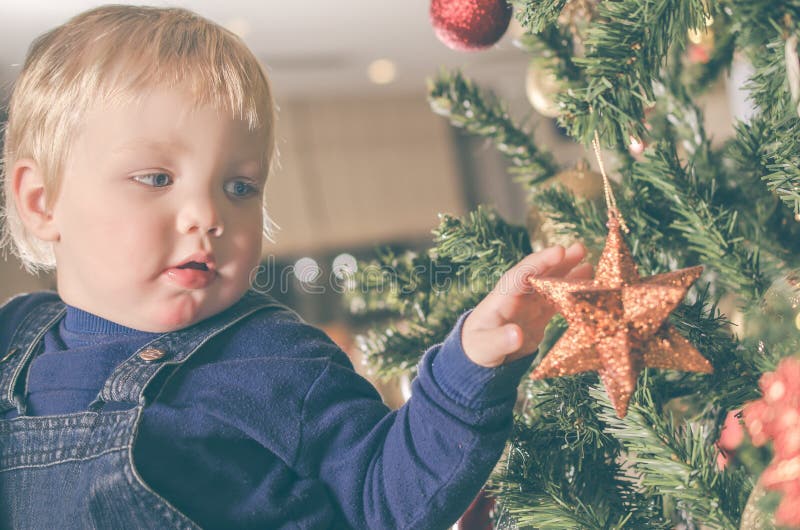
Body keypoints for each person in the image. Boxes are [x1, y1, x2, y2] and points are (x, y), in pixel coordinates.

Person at [0, 5, 591, 529]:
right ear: (42, 200)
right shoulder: (13, 342)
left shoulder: (275, 356)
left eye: (239, 186)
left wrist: (470, 366)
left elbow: (384, 497)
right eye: (156, 178)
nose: (207, 215)